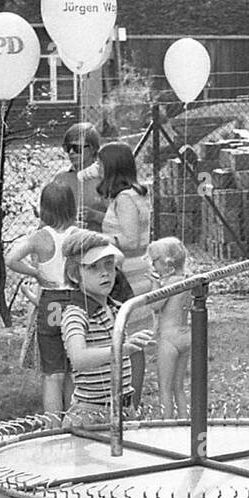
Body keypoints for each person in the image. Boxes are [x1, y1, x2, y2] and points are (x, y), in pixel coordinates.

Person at [57, 231, 155, 498]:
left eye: (110, 266)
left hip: (116, 419)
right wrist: (121, 345)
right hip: (88, 422)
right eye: (94, 267)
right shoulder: (75, 313)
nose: (105, 273)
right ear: (74, 272)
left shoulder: (112, 308)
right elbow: (78, 358)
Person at [6, 182, 79, 413]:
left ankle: (53, 427)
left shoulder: (39, 237)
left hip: (50, 301)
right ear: (72, 207)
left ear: (44, 208)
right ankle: (73, 422)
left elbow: (11, 259)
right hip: (75, 302)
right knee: (73, 369)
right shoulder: (78, 234)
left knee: (51, 374)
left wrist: (36, 272)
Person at [96, 141, 154, 401]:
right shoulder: (134, 193)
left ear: (112, 167)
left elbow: (130, 240)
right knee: (130, 337)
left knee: (130, 339)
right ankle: (127, 398)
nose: (96, 167)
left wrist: (100, 240)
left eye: (100, 163)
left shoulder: (125, 199)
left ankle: (132, 400)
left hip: (128, 274)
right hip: (133, 270)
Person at [147, 236, 192, 419]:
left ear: (167, 264)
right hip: (185, 334)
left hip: (169, 338)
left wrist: (155, 283)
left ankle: (166, 423)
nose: (152, 265)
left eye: (155, 261)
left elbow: (155, 305)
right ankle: (183, 419)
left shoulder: (169, 284)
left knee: (164, 387)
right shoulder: (187, 280)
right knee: (178, 386)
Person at [50, 122, 103, 229]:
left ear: (92, 148)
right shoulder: (61, 178)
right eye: (67, 147)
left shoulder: (104, 177)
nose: (71, 152)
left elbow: (121, 222)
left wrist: (95, 216)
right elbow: (50, 216)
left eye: (77, 148)